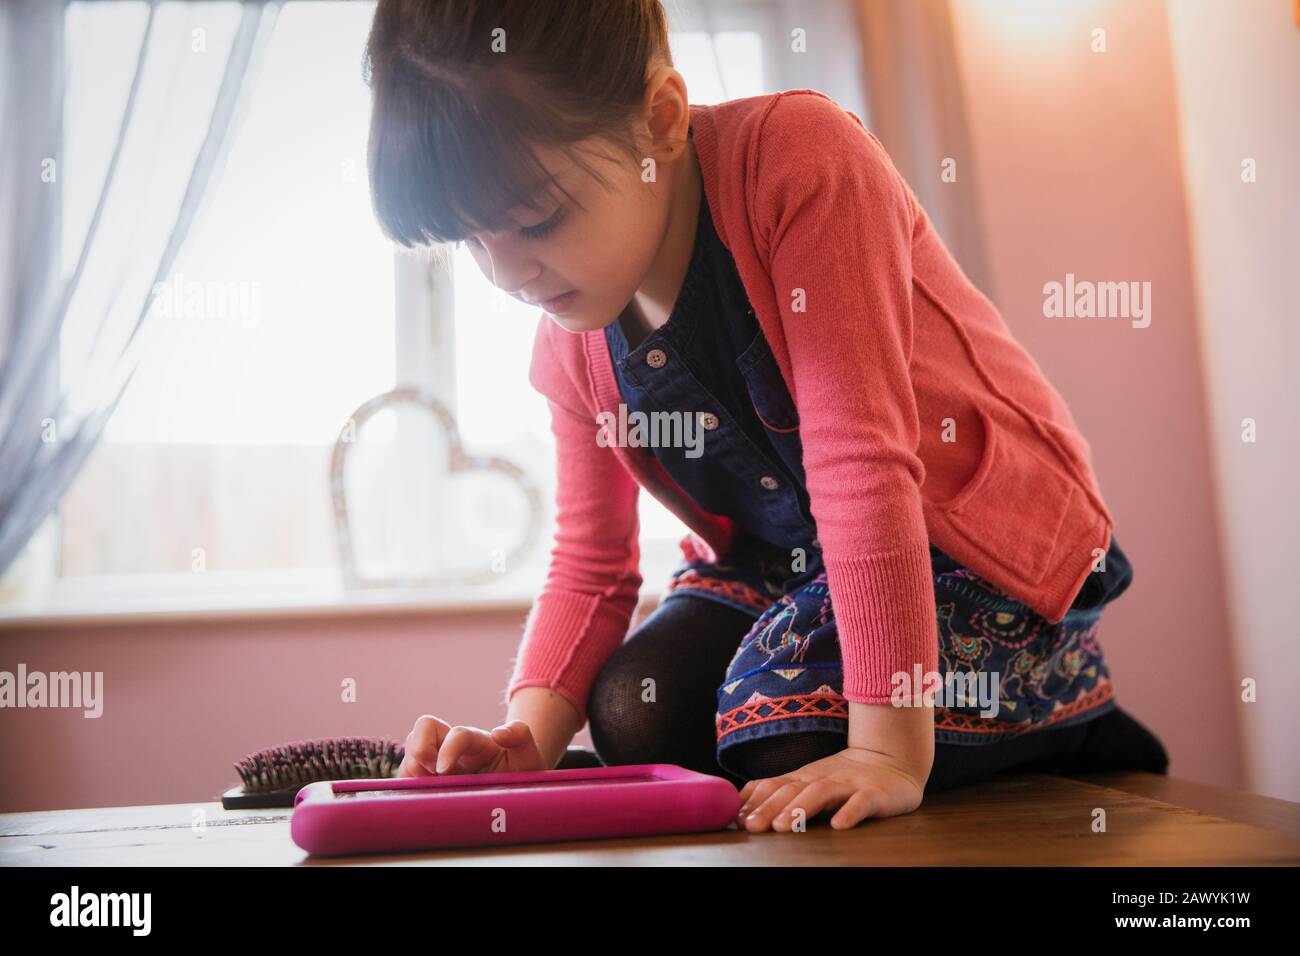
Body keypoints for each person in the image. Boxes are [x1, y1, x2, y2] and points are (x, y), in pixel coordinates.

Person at [362, 0, 1169, 831]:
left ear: (661, 121)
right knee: (637, 714)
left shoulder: (800, 163)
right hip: (787, 569)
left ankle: (1069, 709)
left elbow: (861, 460)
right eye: (470, 239)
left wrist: (889, 750)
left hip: (964, 540)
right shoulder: (570, 341)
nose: (506, 273)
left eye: (537, 219)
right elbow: (590, 563)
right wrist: (526, 738)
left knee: (790, 727)